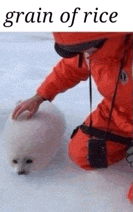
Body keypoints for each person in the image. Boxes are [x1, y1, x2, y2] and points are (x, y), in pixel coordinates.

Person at [12, 32, 133, 203]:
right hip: (116, 113)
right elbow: (69, 68)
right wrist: (40, 96)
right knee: (84, 154)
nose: (81, 54)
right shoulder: (90, 50)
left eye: (81, 48)